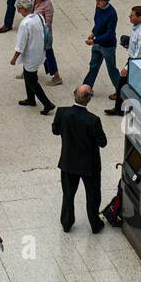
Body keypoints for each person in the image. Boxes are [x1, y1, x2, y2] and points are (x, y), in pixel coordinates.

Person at [52, 85, 107, 234]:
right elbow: (103, 142)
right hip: (89, 165)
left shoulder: (62, 113)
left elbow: (55, 131)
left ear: (74, 94)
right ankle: (95, 224)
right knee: (93, 195)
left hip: (68, 162)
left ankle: (67, 223)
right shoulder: (93, 120)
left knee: (68, 194)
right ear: (89, 100)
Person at [11, 0, 55, 114]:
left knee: (32, 81)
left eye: (18, 8)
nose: (18, 11)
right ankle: (31, 99)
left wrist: (14, 59)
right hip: (40, 52)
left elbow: (20, 45)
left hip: (31, 56)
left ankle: (47, 104)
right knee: (28, 75)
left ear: (23, 8)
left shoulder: (25, 24)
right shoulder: (38, 16)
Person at [108, 6, 141, 116]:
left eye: (132, 15)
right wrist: (128, 45)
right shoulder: (136, 28)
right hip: (134, 61)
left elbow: (139, 56)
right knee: (125, 85)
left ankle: (121, 109)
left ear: (140, 18)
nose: (129, 16)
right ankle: (120, 108)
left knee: (125, 84)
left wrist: (127, 68)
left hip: (139, 64)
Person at [83, 0, 119, 95]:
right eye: (97, 0)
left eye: (100, 0)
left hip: (108, 46)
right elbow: (97, 23)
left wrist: (94, 41)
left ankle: (120, 91)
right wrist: (93, 33)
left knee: (112, 69)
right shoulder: (98, 8)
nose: (97, 2)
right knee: (93, 66)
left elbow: (109, 34)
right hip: (97, 43)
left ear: (106, 1)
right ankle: (86, 88)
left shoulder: (112, 14)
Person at [32, 0, 64, 86]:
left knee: (48, 55)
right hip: (36, 33)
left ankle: (57, 76)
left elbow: (48, 23)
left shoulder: (47, 5)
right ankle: (28, 72)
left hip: (44, 36)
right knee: (32, 52)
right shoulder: (35, 1)